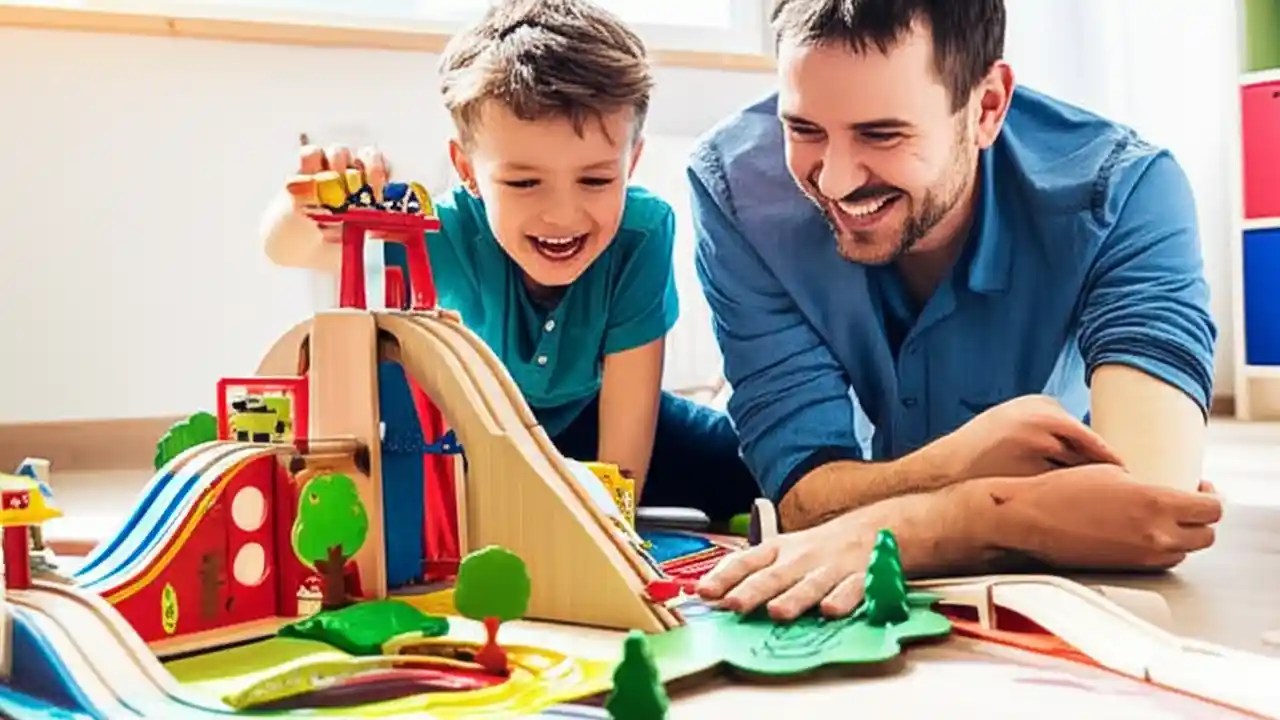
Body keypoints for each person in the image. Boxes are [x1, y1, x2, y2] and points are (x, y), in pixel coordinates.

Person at [688, 0, 1224, 620]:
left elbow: (1150, 510)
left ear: (987, 106)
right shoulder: (735, 187)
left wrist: (920, 527)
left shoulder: (1124, 193)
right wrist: (980, 482)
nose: (832, 180)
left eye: (882, 134)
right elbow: (804, 498)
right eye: (803, 129)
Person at [261, 0, 760, 522]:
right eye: (523, 183)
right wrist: (305, 206)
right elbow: (290, 248)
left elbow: (622, 470)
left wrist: (610, 522)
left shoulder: (642, 231)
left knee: (753, 466)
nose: (562, 215)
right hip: (476, 433)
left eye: (595, 180)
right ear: (467, 170)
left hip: (592, 418)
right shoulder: (441, 226)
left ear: (631, 163)